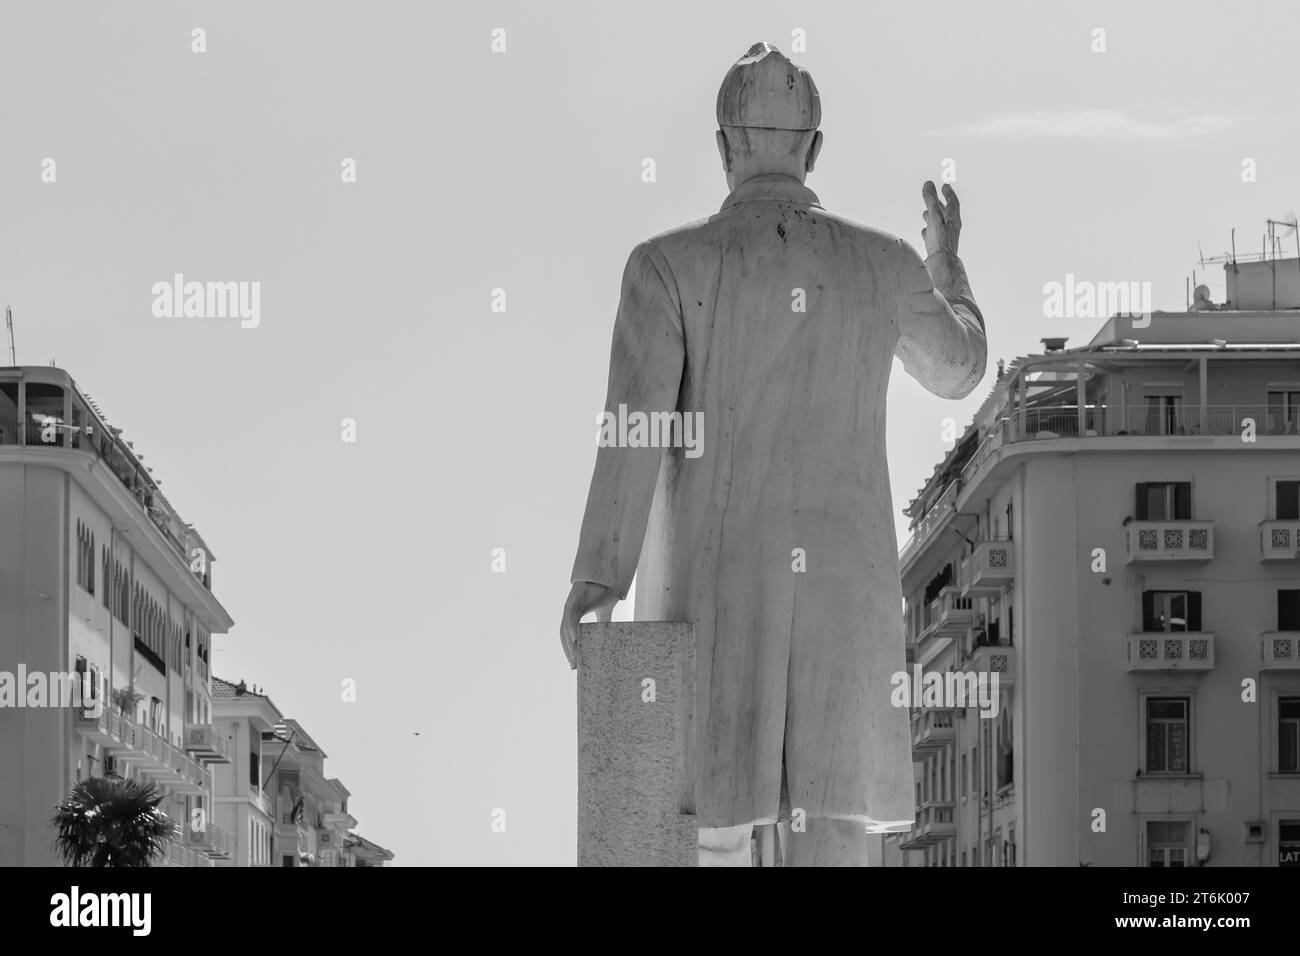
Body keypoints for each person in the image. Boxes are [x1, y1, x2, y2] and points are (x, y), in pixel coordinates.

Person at [561, 42, 987, 866]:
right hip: (845, 599)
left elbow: (634, 429)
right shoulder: (885, 265)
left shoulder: (667, 264)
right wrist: (947, 265)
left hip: (717, 586)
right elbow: (962, 365)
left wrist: (598, 579)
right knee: (832, 830)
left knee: (709, 824)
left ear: (722, 147)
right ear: (814, 149)